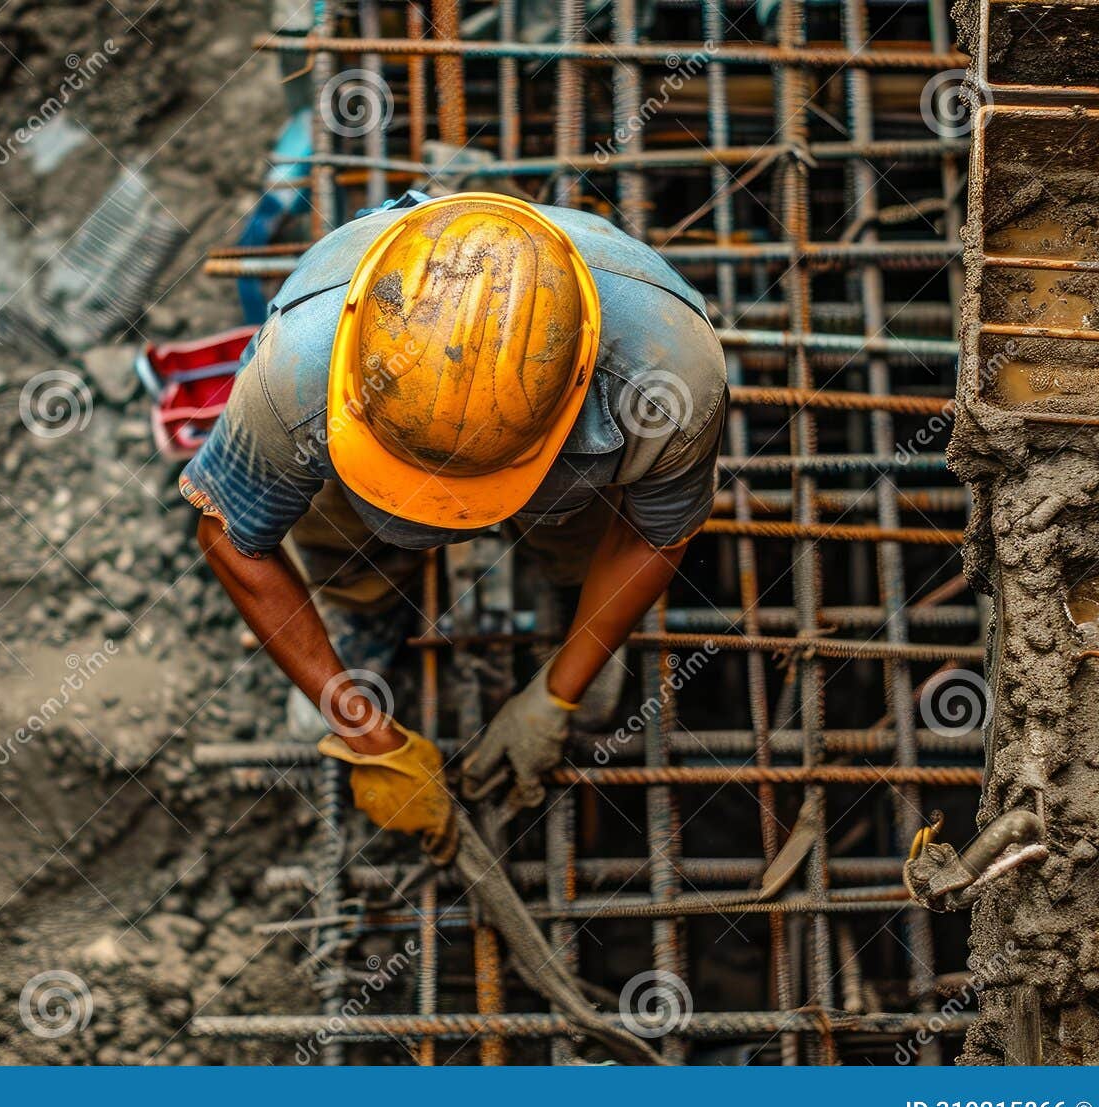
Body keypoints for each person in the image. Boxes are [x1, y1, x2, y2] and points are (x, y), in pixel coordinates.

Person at [186, 191, 726, 860]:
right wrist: (359, 727)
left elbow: (655, 532)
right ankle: (363, 618)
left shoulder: (669, 377)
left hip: (571, 486)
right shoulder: (296, 369)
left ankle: (569, 626)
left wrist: (556, 696)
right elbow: (233, 536)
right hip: (351, 481)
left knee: (582, 542)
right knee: (340, 543)